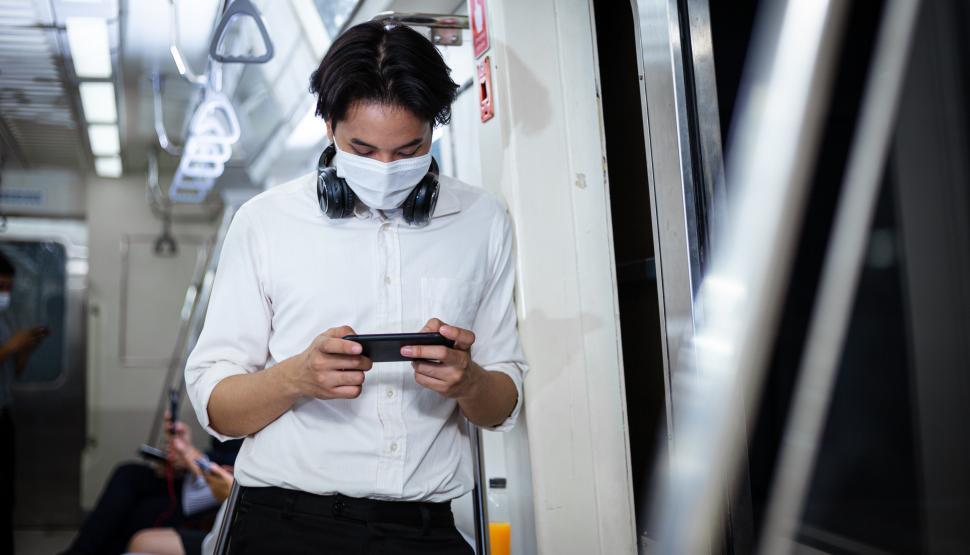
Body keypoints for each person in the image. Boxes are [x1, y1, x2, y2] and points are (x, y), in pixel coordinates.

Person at [184, 20, 527, 554]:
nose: (386, 169)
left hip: (423, 529)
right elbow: (218, 410)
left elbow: (502, 404)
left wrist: (469, 381)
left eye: (409, 150)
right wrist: (296, 377)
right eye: (362, 150)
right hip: (284, 523)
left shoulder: (481, 222)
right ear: (329, 127)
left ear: (434, 128)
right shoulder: (266, 223)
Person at [61, 414, 241, 555]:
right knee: (127, 475)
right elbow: (224, 454)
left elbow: (233, 471)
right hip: (201, 481)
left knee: (137, 518)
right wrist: (188, 456)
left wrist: (196, 457)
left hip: (214, 495)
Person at [0, 251, 48, 554]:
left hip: (4, 412)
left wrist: (24, 350)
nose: (4, 294)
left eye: (8, 288)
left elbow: (12, 370)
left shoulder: (5, 319)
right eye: (0, 287)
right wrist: (9, 347)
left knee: (6, 492)